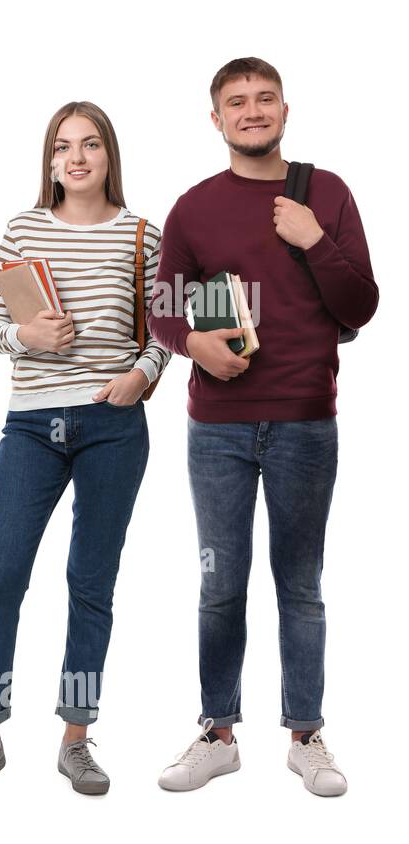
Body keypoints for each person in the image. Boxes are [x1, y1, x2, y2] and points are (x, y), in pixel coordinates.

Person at [149, 58, 378, 797]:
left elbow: (361, 306)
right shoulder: (192, 208)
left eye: (264, 99)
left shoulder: (327, 195)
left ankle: (305, 734)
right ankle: (218, 731)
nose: (252, 111)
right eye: (236, 102)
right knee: (220, 584)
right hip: (215, 426)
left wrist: (315, 240)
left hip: (306, 421)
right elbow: (164, 310)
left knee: (301, 585)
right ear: (215, 119)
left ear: (285, 108)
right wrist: (195, 345)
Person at [0, 102, 169, 805]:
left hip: (113, 424)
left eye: (90, 144)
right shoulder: (23, 229)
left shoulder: (142, 235)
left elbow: (166, 329)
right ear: (49, 160)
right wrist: (28, 339)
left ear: (109, 155)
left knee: (89, 582)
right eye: (63, 146)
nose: (76, 157)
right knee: (1, 574)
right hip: (34, 423)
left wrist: (143, 375)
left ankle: (76, 737)